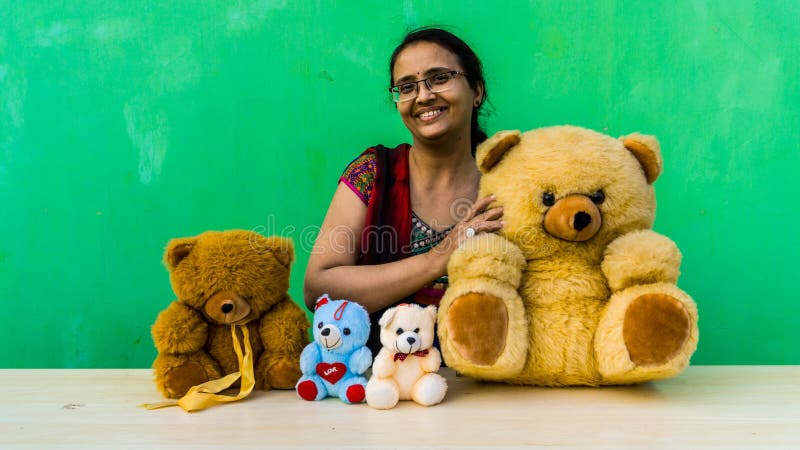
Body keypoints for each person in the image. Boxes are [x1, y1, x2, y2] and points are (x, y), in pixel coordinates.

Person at [304, 27, 504, 353]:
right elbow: (318, 289)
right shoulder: (373, 173)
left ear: (476, 90)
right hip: (385, 382)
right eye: (407, 87)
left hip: (489, 384)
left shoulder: (510, 177)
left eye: (439, 78)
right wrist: (436, 260)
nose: (423, 96)